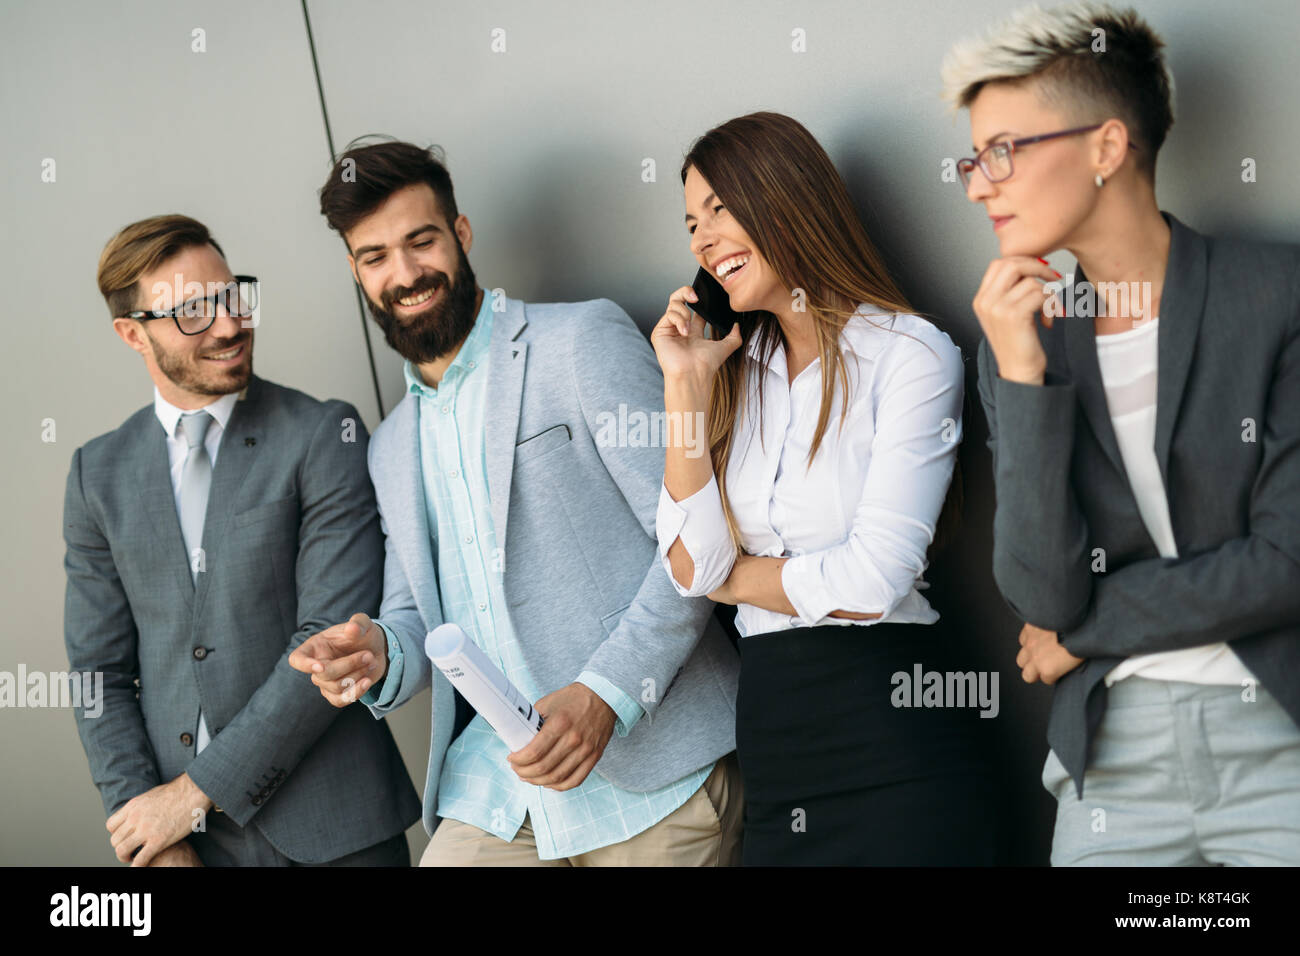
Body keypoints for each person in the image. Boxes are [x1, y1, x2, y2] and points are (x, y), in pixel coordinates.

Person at [290, 138, 743, 866]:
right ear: (356, 272)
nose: (404, 273)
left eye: (421, 240)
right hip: (497, 795)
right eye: (375, 257)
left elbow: (695, 542)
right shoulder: (389, 445)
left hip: (655, 771)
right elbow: (415, 617)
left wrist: (606, 695)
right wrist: (379, 651)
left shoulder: (580, 340)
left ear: (461, 233)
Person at [943, 1, 1300, 864]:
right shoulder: (1022, 343)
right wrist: (1024, 376)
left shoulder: (1274, 295)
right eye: (971, 159)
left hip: (1280, 737)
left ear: (1106, 147)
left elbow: (1288, 562)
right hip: (1111, 760)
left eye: (1002, 152)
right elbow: (1043, 599)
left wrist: (1086, 633)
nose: (979, 183)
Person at [652, 111, 998, 865]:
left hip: (895, 725)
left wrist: (731, 579)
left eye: (719, 209)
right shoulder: (729, 375)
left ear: (786, 196)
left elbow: (873, 581)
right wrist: (685, 387)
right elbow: (685, 566)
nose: (702, 240)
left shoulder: (910, 354)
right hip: (775, 737)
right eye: (690, 223)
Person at [64, 214, 420, 866]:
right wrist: (147, 831)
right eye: (193, 312)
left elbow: (324, 643)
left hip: (337, 833)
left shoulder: (322, 436)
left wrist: (192, 794)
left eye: (232, 296)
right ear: (131, 334)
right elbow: (98, 675)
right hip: (186, 846)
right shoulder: (97, 475)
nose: (229, 325)